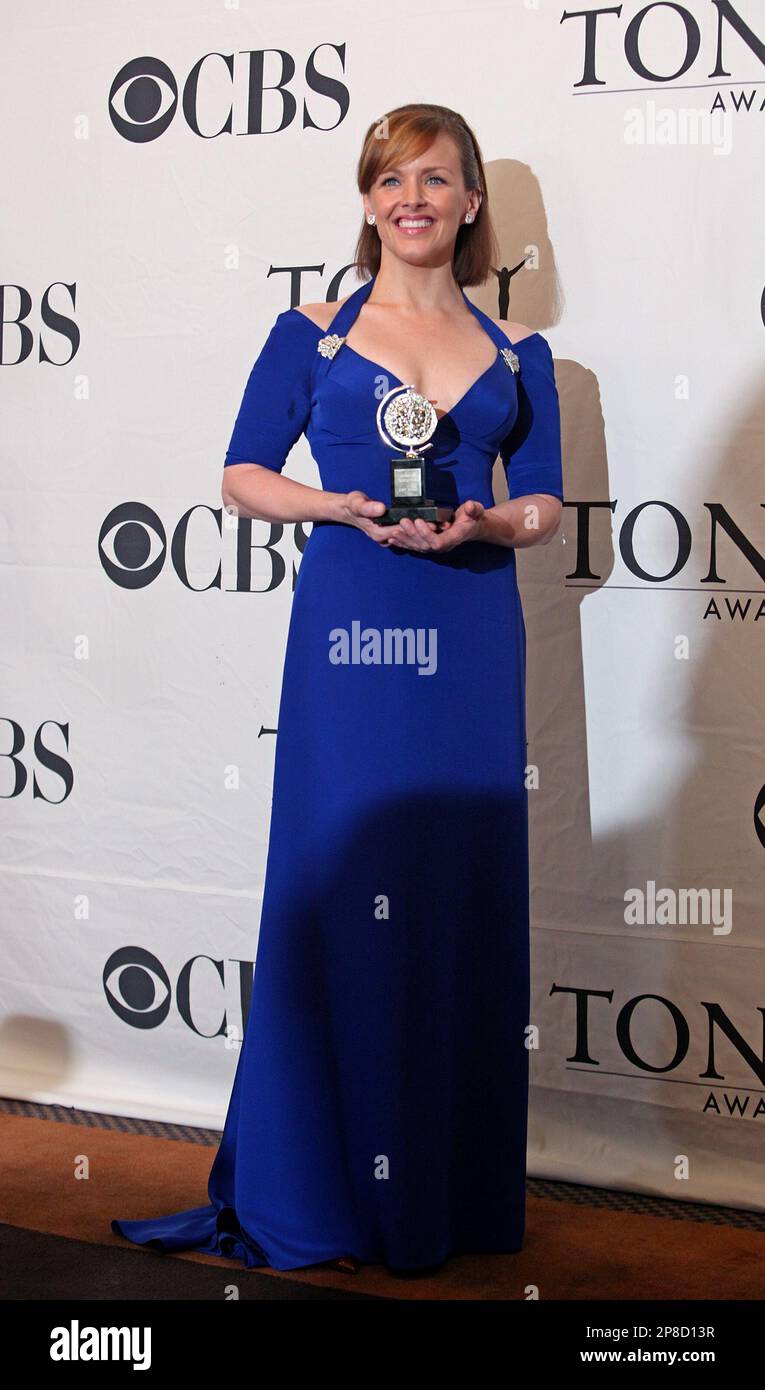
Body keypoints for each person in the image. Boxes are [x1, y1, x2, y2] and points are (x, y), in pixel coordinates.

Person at [111, 102, 563, 1276]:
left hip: (468, 627)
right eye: (389, 178)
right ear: (367, 201)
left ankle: (446, 1199)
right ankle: (318, 1188)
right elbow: (243, 474)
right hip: (352, 629)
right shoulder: (308, 333)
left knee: (454, 887)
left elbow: (545, 502)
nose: (412, 196)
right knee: (346, 870)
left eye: (438, 178)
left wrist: (488, 519)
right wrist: (338, 506)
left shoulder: (522, 356)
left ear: (472, 205)